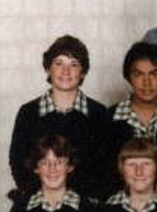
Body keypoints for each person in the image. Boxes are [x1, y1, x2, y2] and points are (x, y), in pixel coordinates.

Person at [9, 35, 110, 199]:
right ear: (48, 68)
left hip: (87, 207)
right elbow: (18, 161)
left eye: (74, 64)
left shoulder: (99, 114)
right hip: (41, 205)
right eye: (58, 63)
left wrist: (82, 203)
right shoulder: (28, 113)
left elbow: (106, 166)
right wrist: (42, 199)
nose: (66, 71)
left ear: (83, 72)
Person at [107, 42, 157, 198]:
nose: (146, 82)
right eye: (138, 74)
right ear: (128, 77)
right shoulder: (108, 119)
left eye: (154, 74)